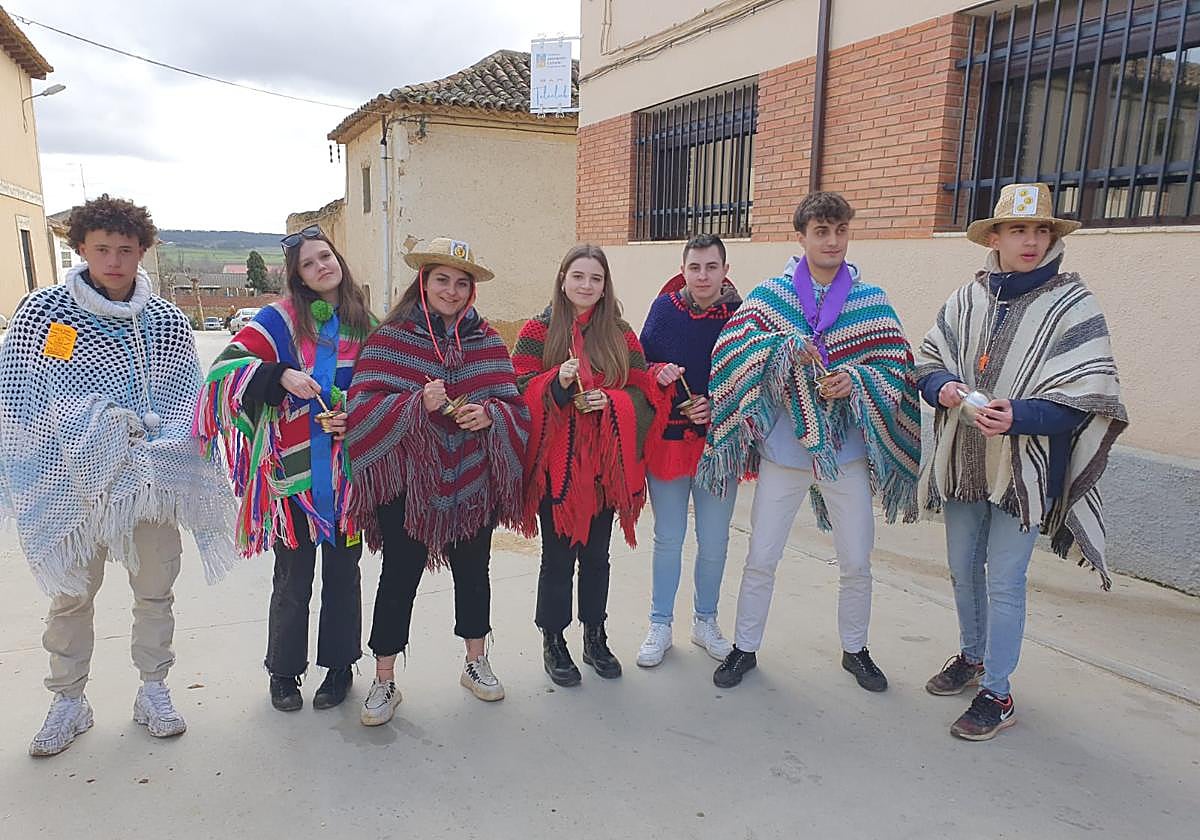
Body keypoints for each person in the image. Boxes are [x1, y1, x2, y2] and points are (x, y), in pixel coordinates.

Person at [0, 195, 238, 756]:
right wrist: (96, 426)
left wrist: (153, 436)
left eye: (125, 250)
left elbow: (186, 399)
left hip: (150, 483)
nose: (113, 260)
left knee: (155, 592)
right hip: (74, 483)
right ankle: (68, 701)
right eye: (101, 248)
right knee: (70, 597)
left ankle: (152, 690)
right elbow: (26, 397)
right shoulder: (47, 315)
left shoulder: (165, 322)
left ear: (142, 252)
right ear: (79, 248)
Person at [916, 183, 1127, 740]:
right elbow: (927, 361)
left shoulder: (1071, 303)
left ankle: (998, 691)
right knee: (964, 569)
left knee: (1005, 580)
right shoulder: (967, 298)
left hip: (1026, 472)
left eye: (1040, 230)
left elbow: (1091, 397)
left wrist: (1022, 416)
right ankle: (972, 655)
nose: (1030, 241)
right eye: (1018, 230)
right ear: (996, 237)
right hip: (964, 463)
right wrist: (942, 388)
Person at [697, 191, 922, 692]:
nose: (833, 241)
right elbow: (732, 349)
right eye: (821, 231)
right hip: (785, 449)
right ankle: (745, 647)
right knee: (762, 553)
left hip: (846, 454)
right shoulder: (772, 296)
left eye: (840, 230)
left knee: (857, 557)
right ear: (801, 238)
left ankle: (856, 648)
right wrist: (780, 352)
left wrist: (857, 381)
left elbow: (896, 365)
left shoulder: (870, 300)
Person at [347, 238, 529, 725]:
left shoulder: (486, 341)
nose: (451, 290)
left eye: (461, 282)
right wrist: (414, 405)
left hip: (473, 481)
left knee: (474, 573)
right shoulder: (390, 339)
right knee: (399, 576)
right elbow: (361, 410)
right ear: (423, 281)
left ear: (472, 290)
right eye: (442, 279)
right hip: (410, 485)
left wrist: (489, 414)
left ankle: (476, 663)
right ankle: (384, 680)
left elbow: (514, 405)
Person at [195, 225, 373, 713]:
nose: (322, 267)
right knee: (292, 578)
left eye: (326, 256)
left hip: (345, 479)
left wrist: (353, 417)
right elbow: (222, 373)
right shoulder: (278, 321)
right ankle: (284, 673)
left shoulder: (364, 324)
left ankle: (339, 668)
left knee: (344, 575)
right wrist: (278, 374)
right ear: (297, 276)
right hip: (291, 480)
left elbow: (381, 389)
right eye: (309, 264)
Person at [512, 244, 664, 686]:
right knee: (557, 559)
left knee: (598, 556)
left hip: (603, 470)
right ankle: (554, 640)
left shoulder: (620, 332)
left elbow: (642, 389)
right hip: (557, 470)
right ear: (563, 279)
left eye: (595, 279)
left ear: (605, 284)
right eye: (578, 276)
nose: (586, 286)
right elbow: (519, 387)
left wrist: (613, 401)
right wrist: (554, 384)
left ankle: (595, 636)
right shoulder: (538, 331)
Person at [635, 234, 743, 667]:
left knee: (715, 540)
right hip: (669, 443)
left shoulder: (742, 317)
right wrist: (661, 374)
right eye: (694, 267)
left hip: (720, 444)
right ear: (683, 269)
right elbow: (639, 365)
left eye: (711, 267)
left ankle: (705, 621)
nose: (702, 276)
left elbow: (751, 379)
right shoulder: (664, 311)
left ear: (725, 270)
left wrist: (717, 404)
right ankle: (660, 625)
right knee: (668, 537)